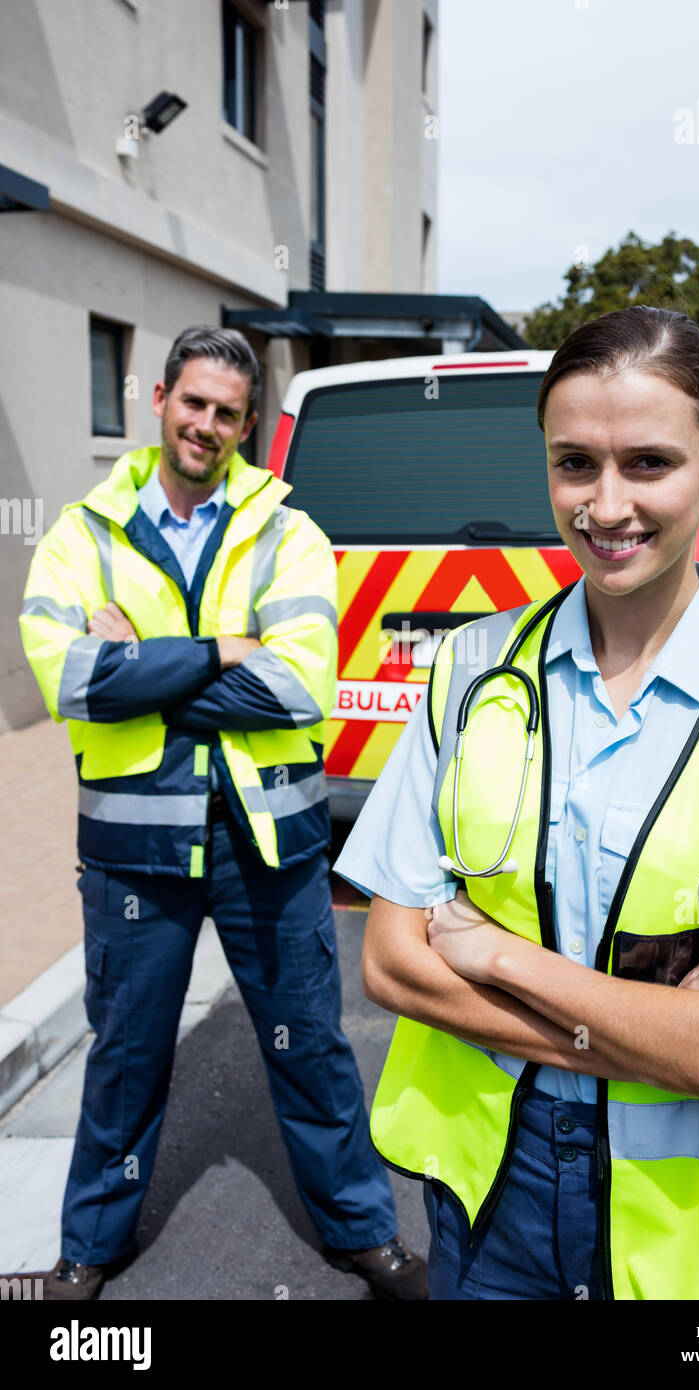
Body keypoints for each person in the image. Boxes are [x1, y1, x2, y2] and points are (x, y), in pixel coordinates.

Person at [334, 305, 699, 1301]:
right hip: (492, 1194)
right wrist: (666, 1032)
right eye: (574, 463)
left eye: (648, 463)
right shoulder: (470, 666)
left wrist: (501, 957)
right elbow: (391, 963)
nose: (604, 503)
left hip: (694, 1235)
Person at [15, 325, 426, 1301]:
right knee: (125, 1051)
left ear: (247, 424)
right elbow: (69, 679)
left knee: (311, 1041)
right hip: (135, 843)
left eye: (227, 411)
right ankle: (90, 1247)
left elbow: (296, 690)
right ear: (159, 399)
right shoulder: (82, 533)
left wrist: (143, 664)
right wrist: (223, 650)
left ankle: (363, 1231)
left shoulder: (289, 531)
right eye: (191, 402)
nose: (206, 423)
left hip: (267, 839)